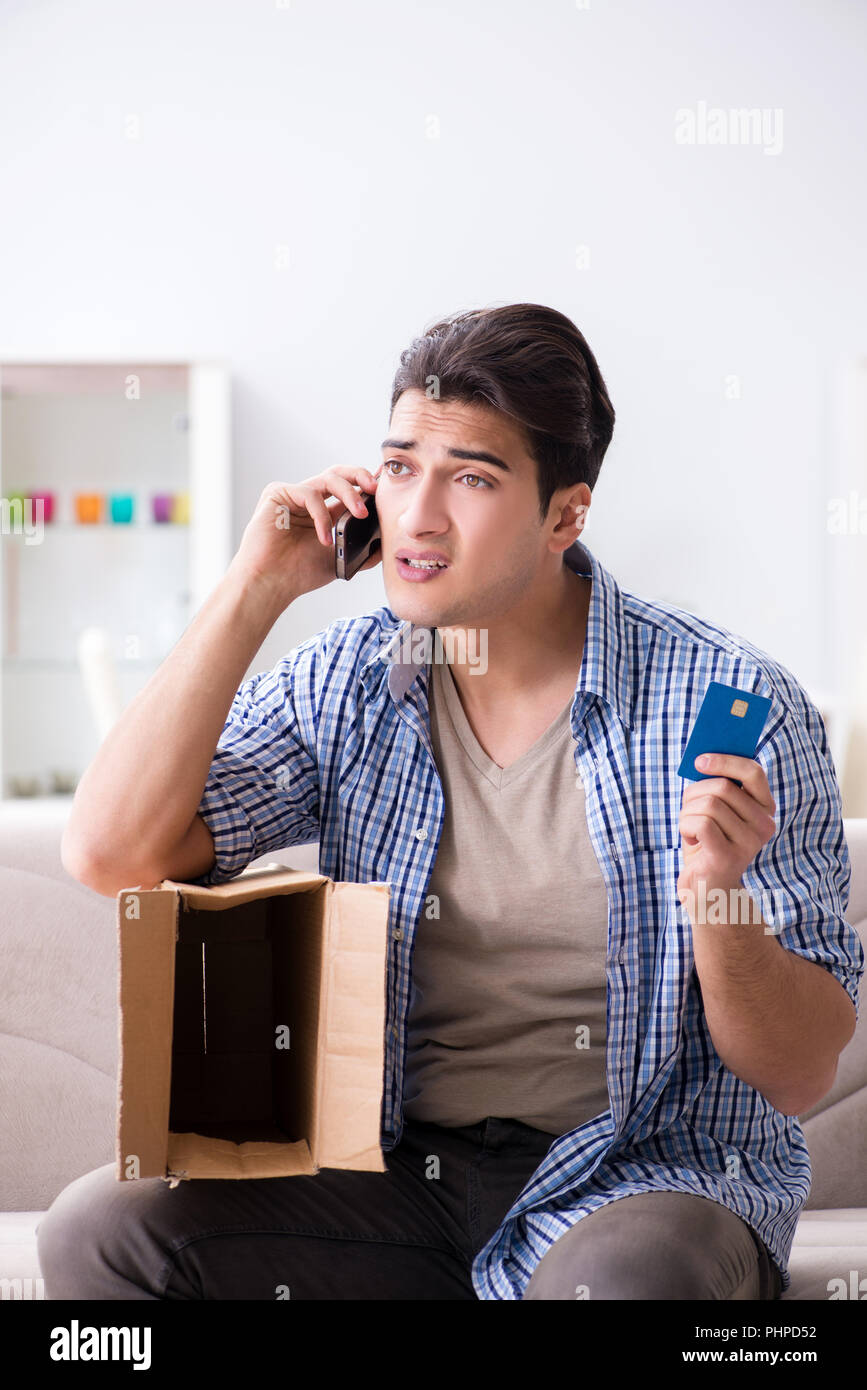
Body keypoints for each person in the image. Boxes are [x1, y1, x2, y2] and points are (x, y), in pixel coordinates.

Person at [39, 303, 862, 1300]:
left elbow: (797, 1071)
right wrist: (257, 583)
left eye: (471, 476)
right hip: (396, 1180)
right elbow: (111, 853)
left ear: (565, 515)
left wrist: (718, 900)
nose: (418, 515)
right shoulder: (347, 679)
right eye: (398, 467)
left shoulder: (731, 704)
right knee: (104, 1230)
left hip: (639, 1178)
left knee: (631, 1280)